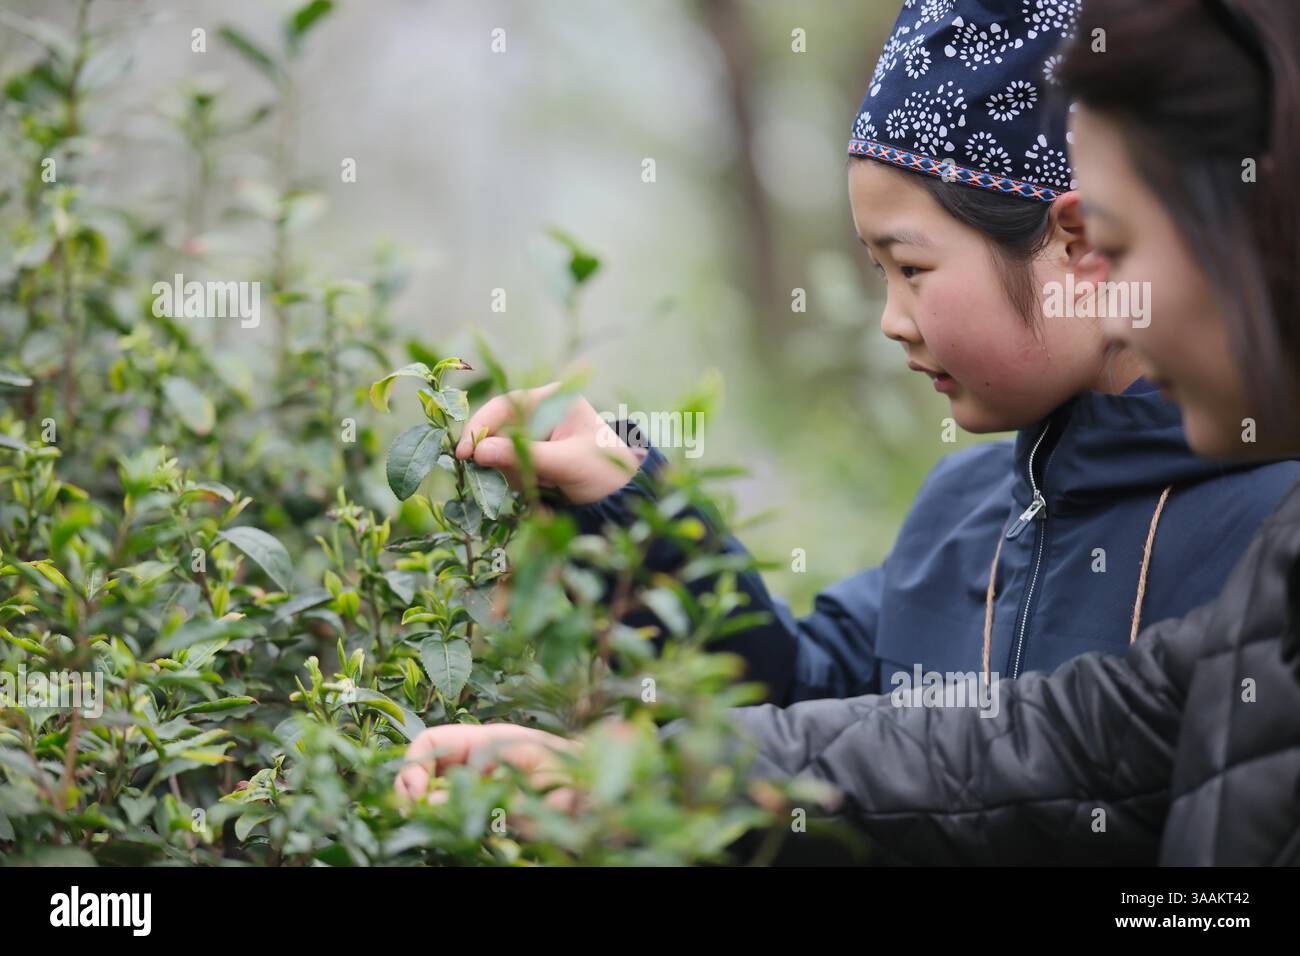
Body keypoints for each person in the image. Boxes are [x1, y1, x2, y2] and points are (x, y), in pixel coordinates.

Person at [397, 0, 1300, 864]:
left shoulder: (1266, 524)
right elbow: (819, 714)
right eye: (877, 271)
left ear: (1073, 243)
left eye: (911, 267)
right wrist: (634, 513)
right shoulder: (968, 510)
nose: (891, 319)